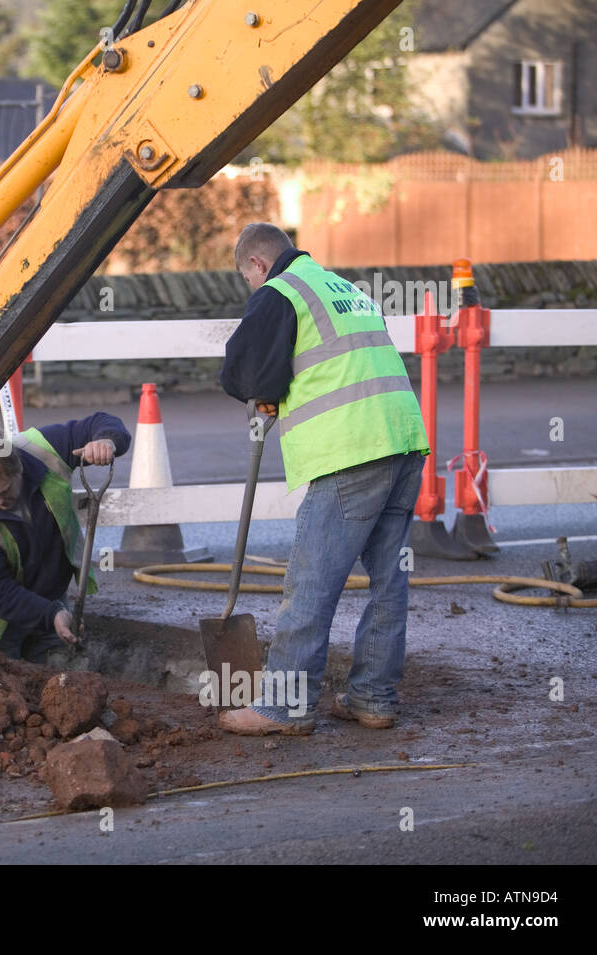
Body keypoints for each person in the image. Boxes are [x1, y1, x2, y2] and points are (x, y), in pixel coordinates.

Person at [216, 223, 429, 735]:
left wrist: (264, 392)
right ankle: (372, 699)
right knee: (387, 584)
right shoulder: (342, 287)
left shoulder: (280, 291)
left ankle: (285, 707)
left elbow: (243, 370)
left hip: (351, 451)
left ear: (256, 265)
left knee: (310, 585)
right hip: (402, 441)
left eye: (248, 277)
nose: (252, 286)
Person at [0, 412, 131, 662]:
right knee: (5, 686)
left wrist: (106, 442)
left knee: (57, 676)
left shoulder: (43, 449)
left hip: (49, 592)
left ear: (19, 470)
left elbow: (102, 422)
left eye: (4, 491)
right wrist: (51, 614)